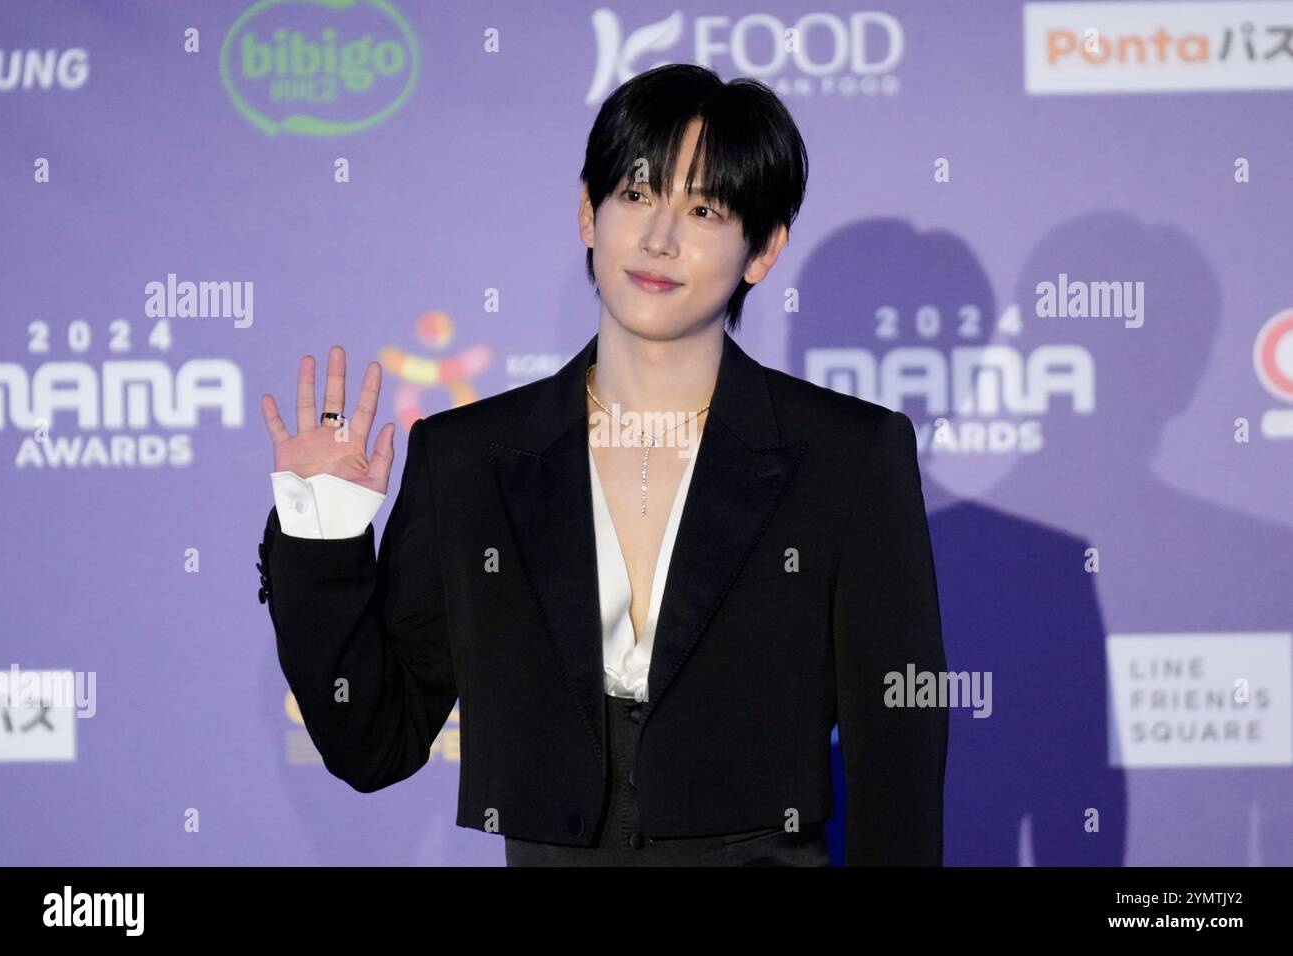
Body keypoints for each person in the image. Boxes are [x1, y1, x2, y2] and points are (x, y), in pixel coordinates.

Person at [257, 63, 947, 866]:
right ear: (589, 212)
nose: (659, 238)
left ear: (762, 250)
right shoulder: (470, 459)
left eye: (703, 209)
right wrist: (323, 536)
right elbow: (374, 742)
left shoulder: (847, 457)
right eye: (635, 196)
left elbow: (896, 759)